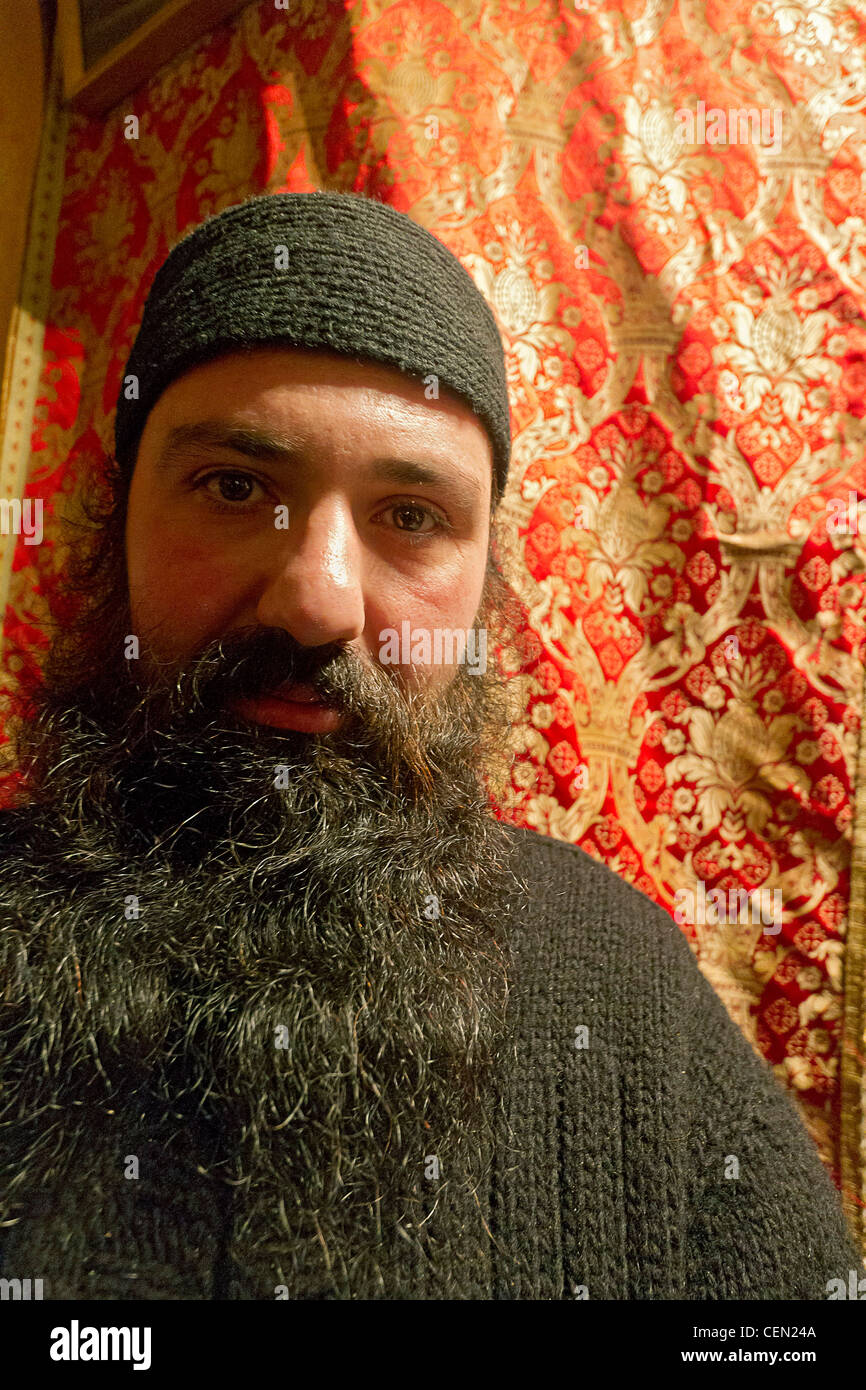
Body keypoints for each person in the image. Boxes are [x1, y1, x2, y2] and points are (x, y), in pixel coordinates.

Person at [0, 191, 859, 1300]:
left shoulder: (620, 982)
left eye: (409, 515)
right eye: (234, 486)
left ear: (482, 586)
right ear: (114, 530)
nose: (316, 601)